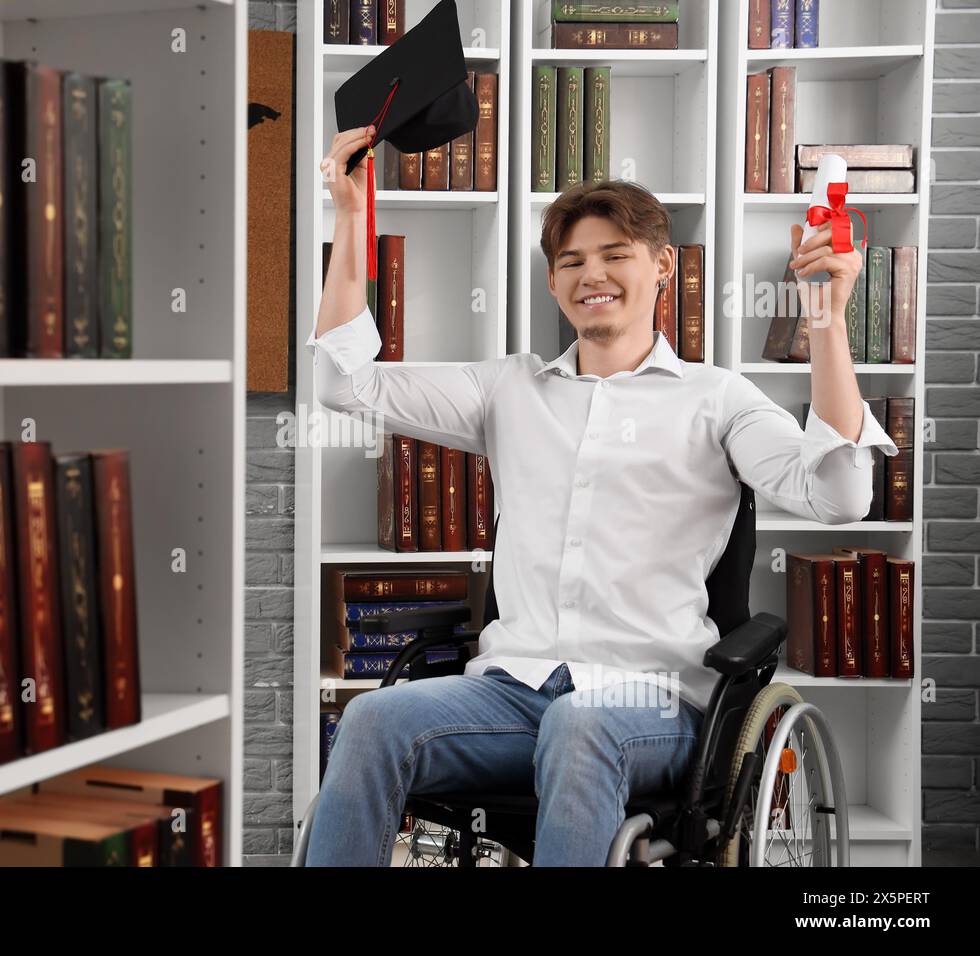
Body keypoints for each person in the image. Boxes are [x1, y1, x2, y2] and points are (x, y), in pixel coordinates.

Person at [303, 125, 898, 867]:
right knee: (372, 722)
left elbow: (839, 495)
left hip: (650, 702)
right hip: (512, 692)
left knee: (581, 724)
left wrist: (827, 319)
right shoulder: (509, 390)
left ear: (662, 267)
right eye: (573, 261)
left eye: (616, 255)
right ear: (553, 283)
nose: (594, 274)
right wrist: (349, 214)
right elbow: (341, 382)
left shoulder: (718, 400)